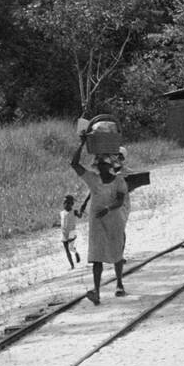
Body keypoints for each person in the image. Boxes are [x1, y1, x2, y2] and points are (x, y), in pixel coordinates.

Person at [70, 118, 129, 304]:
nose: (102, 168)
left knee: (116, 252)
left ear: (109, 166)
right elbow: (74, 164)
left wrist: (107, 209)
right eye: (100, 165)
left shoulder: (119, 181)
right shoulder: (93, 179)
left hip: (114, 219)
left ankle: (119, 283)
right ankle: (96, 291)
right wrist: (81, 144)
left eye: (105, 165)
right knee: (96, 256)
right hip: (96, 221)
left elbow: (120, 200)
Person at [60, 194, 81, 268]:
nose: (66, 204)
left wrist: (80, 211)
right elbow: (63, 222)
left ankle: (76, 253)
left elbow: (80, 216)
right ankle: (72, 265)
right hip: (64, 233)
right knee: (67, 250)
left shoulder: (74, 212)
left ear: (72, 204)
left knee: (71, 248)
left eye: (68, 203)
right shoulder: (62, 213)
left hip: (72, 232)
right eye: (65, 202)